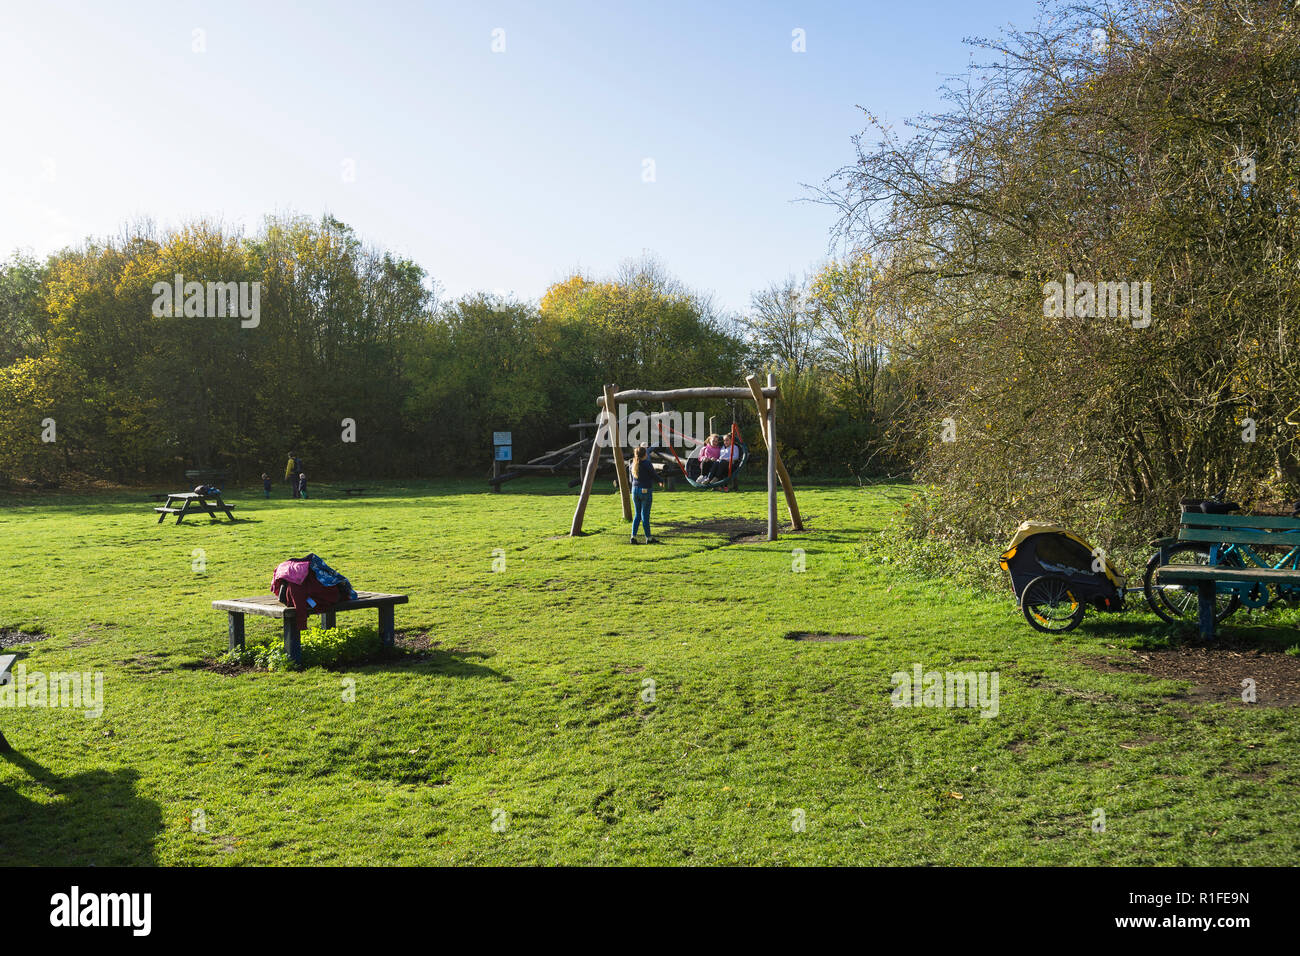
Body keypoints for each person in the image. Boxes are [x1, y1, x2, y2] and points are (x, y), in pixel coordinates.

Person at [629, 445, 659, 544]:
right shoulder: (647, 463)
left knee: (637, 514)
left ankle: (633, 537)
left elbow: (631, 479)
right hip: (645, 490)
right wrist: (661, 480)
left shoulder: (632, 464)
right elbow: (653, 474)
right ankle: (649, 538)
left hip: (634, 490)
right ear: (645, 454)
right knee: (645, 515)